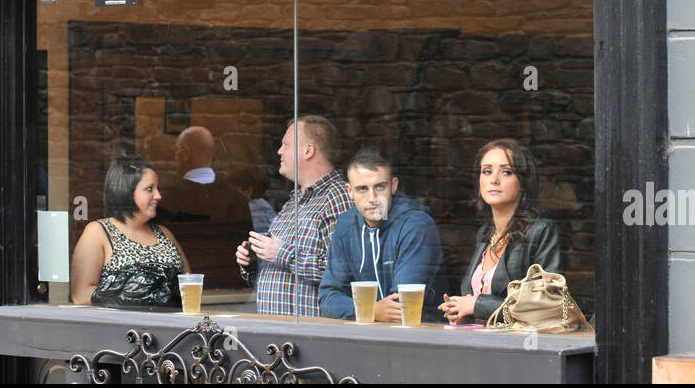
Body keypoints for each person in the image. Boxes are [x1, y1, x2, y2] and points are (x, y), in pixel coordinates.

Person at [234, 116, 352, 316]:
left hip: (310, 339)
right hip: (279, 339)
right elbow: (282, 274)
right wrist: (254, 262)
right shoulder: (293, 201)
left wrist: (282, 253)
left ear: (308, 151)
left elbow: (344, 272)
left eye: (286, 145)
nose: (279, 151)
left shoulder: (338, 198)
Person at [440, 139, 562, 325]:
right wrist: (458, 309)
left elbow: (548, 305)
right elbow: (472, 301)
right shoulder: (485, 234)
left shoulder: (541, 231)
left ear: (523, 183)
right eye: (487, 171)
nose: (494, 180)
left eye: (506, 172)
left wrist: (476, 305)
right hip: (479, 344)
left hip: (521, 348)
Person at [319, 147, 445, 322]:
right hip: (370, 334)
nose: (373, 197)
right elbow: (328, 298)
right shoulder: (346, 225)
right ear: (349, 191)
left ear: (393, 185)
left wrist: (363, 310)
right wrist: (372, 310)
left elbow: (401, 305)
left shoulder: (417, 225)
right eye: (362, 189)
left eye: (380, 186)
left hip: (422, 333)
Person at [70, 158, 191, 308]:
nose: (158, 196)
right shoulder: (98, 231)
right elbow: (80, 294)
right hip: (123, 327)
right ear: (125, 191)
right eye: (149, 189)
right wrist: (133, 295)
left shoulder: (164, 233)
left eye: (157, 188)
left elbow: (190, 284)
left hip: (171, 325)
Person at [158, 125, 252, 289]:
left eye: (176, 151)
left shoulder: (166, 200)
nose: (174, 156)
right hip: (231, 289)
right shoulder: (237, 200)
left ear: (185, 153)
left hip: (182, 290)